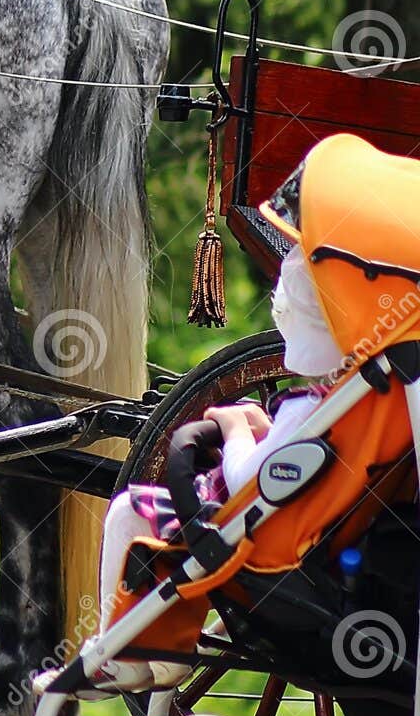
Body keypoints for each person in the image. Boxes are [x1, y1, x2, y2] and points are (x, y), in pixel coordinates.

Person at [87, 242, 345, 690]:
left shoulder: (306, 411)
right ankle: (161, 658)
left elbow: (249, 478)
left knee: (131, 509)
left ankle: (120, 649)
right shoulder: (363, 403)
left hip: (266, 551)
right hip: (328, 545)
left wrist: (233, 427)